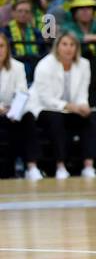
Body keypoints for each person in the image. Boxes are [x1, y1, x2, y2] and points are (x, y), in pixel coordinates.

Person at [31, 33, 96, 179]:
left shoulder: (84, 64)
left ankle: (88, 166)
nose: (69, 48)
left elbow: (82, 92)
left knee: (89, 119)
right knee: (56, 119)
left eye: (72, 45)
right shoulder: (45, 65)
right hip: (44, 108)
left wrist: (83, 106)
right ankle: (60, 166)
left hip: (70, 109)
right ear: (57, 46)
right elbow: (45, 98)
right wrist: (68, 106)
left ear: (77, 48)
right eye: (65, 44)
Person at [0, 31, 38, 179]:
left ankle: (31, 166)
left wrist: (14, 109)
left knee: (27, 117)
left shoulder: (18, 67)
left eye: (2, 46)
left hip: (12, 112)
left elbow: (22, 92)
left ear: (7, 48)